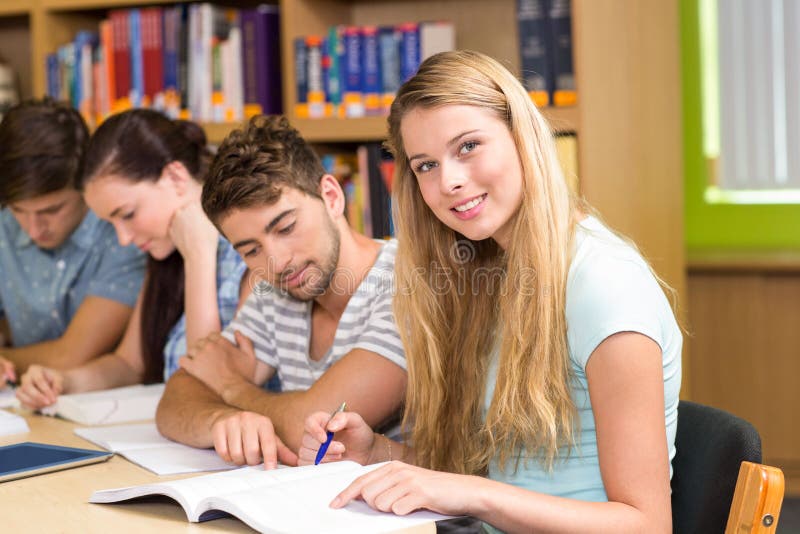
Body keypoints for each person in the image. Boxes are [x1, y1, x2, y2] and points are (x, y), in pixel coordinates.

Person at [298, 50, 683, 533]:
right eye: (425, 166)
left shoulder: (603, 284)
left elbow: (645, 525)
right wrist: (377, 453)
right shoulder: (488, 273)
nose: (450, 181)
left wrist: (475, 495)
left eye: (468, 146)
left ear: (521, 137)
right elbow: (506, 473)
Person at [155, 115, 407, 469]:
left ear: (332, 197)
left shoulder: (404, 284)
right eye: (251, 250)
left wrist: (231, 389)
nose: (277, 262)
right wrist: (220, 422)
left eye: (286, 227)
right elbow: (177, 397)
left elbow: (315, 424)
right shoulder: (274, 292)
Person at [15, 109, 251, 410]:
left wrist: (199, 259)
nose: (124, 239)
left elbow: (209, 386)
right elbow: (129, 364)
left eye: (127, 215)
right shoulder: (166, 252)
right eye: (112, 223)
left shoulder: (249, 251)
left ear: (176, 177)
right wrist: (63, 381)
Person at [0, 99, 144, 385]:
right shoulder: (4, 223)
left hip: (100, 405)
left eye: (51, 210)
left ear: (84, 186)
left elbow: (71, 356)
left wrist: (6, 358)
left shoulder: (124, 233)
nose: (33, 229)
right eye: (18, 210)